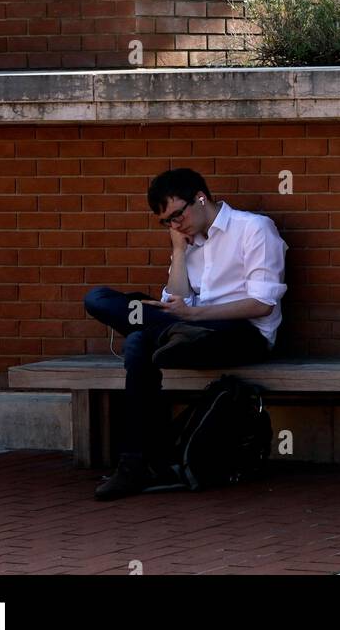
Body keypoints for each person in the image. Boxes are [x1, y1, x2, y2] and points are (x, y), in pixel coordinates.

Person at [83, 168, 288, 499]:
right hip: (188, 329)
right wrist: (179, 252)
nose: (176, 225)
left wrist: (195, 315)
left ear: (201, 198)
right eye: (167, 221)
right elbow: (174, 300)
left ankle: (136, 465)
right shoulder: (187, 241)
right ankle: (171, 338)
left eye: (178, 214)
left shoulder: (253, 229)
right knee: (98, 300)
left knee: (139, 341)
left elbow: (262, 304)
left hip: (242, 334)